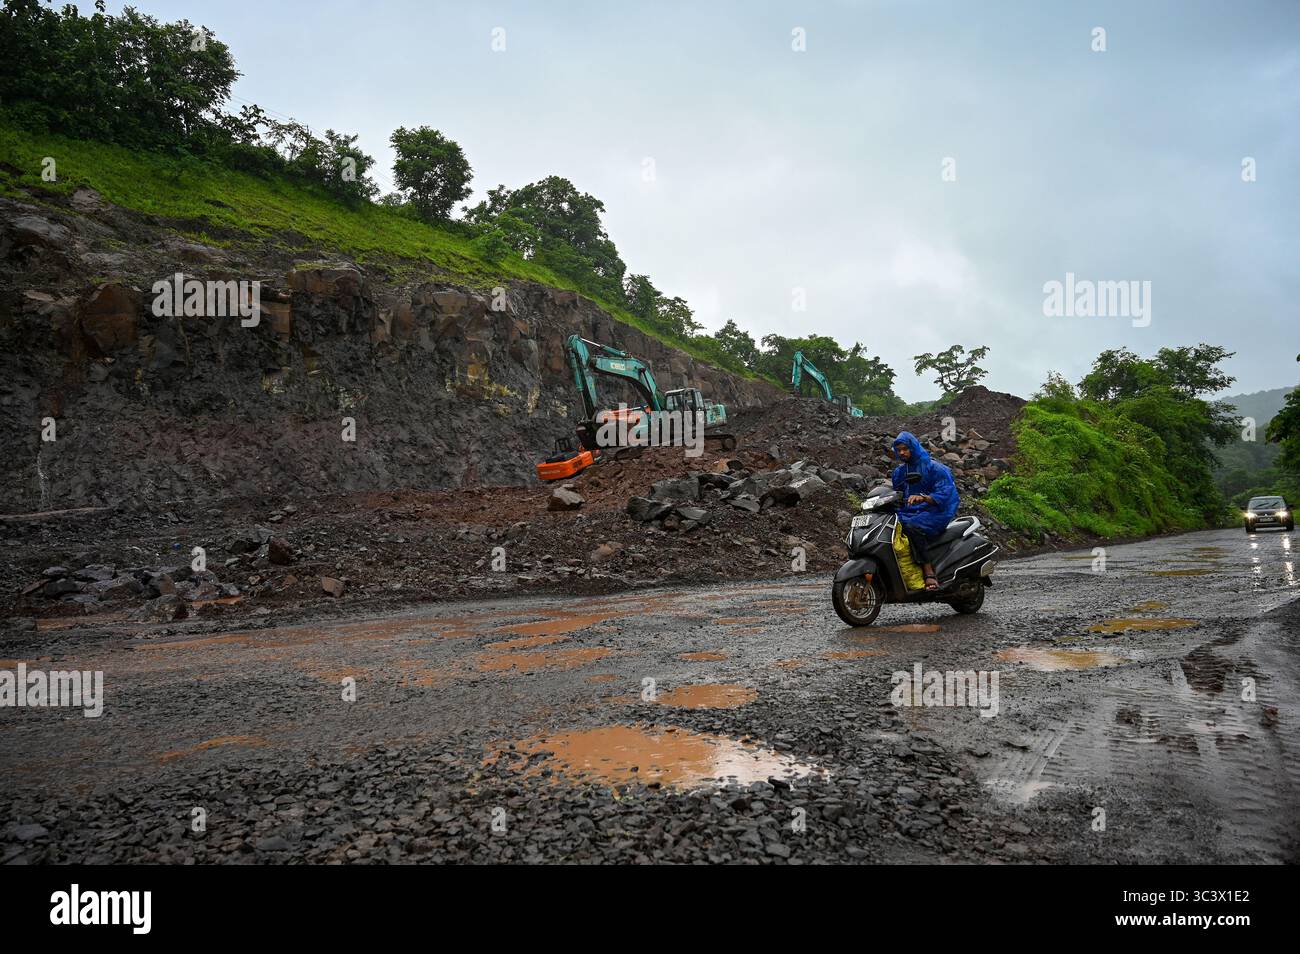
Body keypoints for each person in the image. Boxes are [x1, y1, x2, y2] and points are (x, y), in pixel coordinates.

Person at [890, 431, 959, 590]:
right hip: (912, 510)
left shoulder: (935, 468)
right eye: (899, 450)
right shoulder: (900, 472)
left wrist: (924, 498)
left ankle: (929, 573)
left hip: (936, 511)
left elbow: (945, 492)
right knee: (892, 523)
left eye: (905, 449)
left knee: (911, 526)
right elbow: (898, 494)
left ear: (913, 447)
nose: (902, 452)